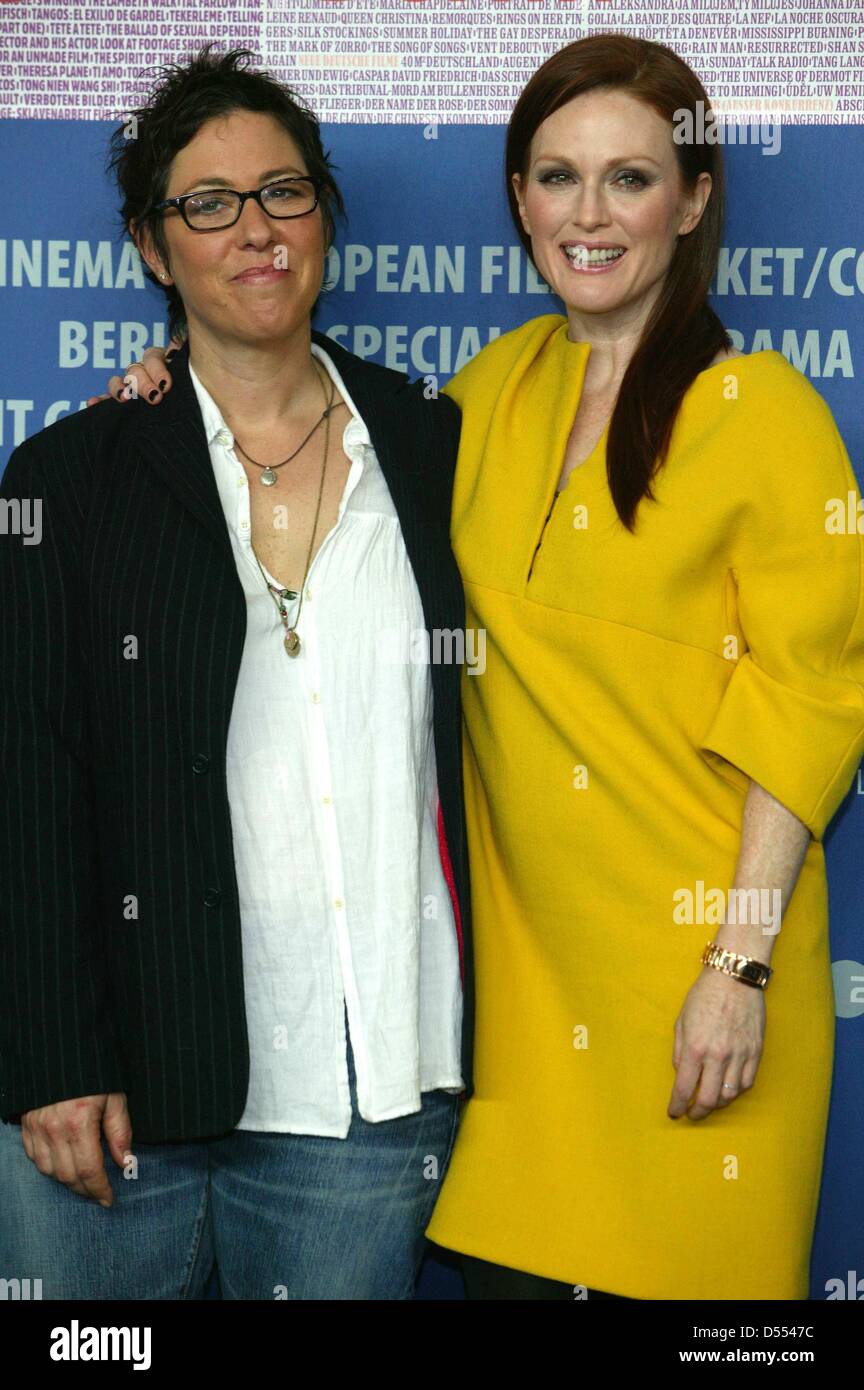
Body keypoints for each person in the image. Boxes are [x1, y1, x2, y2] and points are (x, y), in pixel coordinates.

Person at [94, 34, 864, 1302]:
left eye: (631, 178)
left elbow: (812, 702)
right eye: (558, 178)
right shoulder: (487, 394)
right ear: (519, 201)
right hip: (516, 1039)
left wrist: (736, 971)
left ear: (696, 194)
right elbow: (292, 421)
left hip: (702, 1004)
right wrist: (174, 386)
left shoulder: (768, 415)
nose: (591, 214)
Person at [0, 45, 475, 1300]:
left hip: (363, 1089)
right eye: (208, 203)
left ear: (326, 215)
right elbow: (25, 787)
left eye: (284, 191)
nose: (255, 230)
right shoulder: (69, 479)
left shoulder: (436, 443)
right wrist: (49, 1056)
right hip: (120, 1102)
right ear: (155, 250)